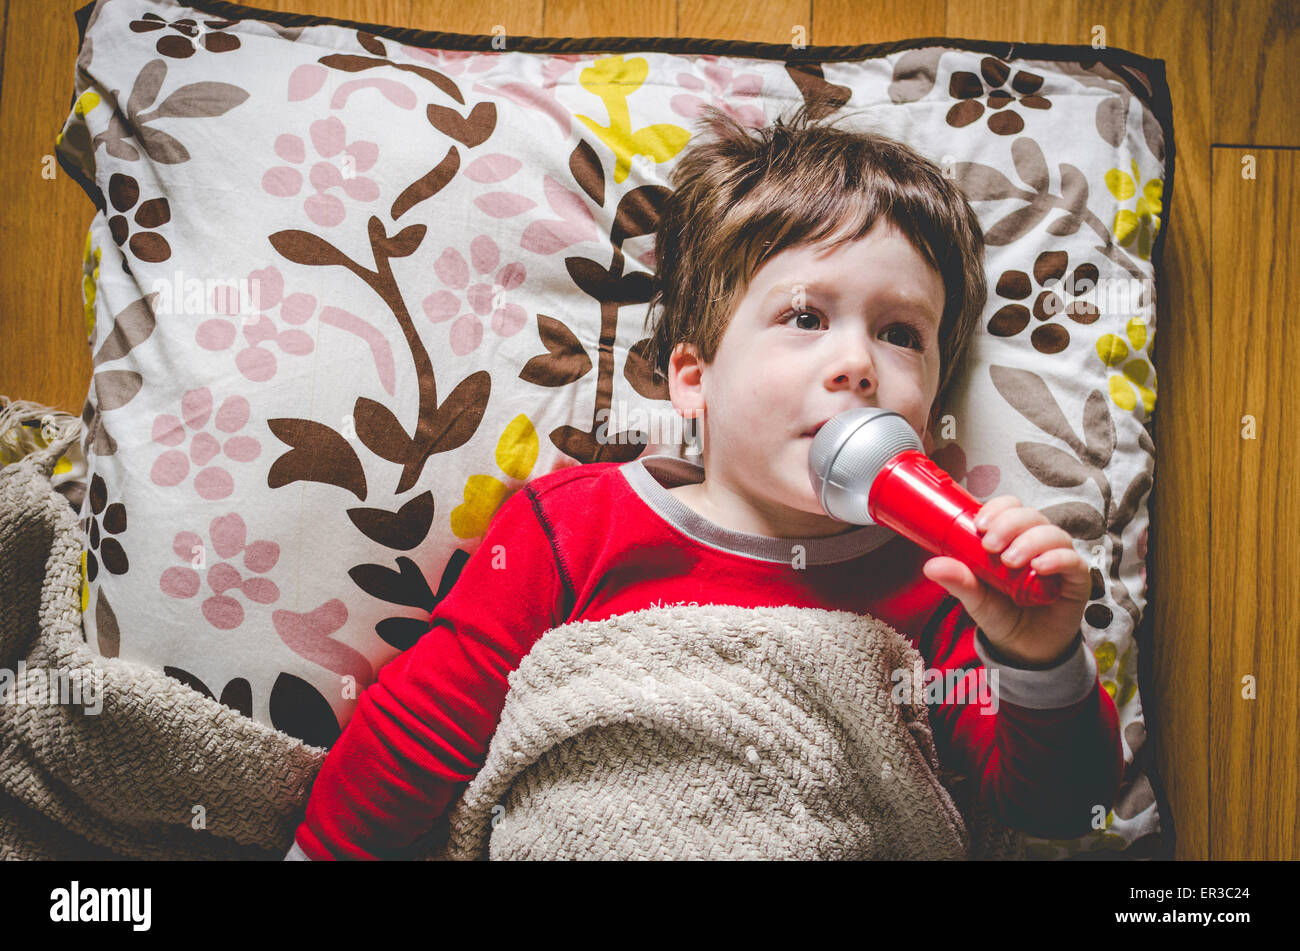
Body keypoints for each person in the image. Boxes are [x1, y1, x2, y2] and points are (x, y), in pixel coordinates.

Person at [285, 101, 1122, 860]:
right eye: (805, 317)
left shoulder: (943, 581)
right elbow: (420, 732)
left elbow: (1062, 811)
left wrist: (1040, 657)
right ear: (694, 376)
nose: (857, 364)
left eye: (902, 333)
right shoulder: (572, 530)